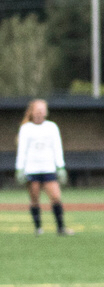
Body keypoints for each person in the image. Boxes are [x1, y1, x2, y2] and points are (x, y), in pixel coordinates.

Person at [15, 99, 72, 236]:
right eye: (38, 109)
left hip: (48, 168)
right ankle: (38, 228)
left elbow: (57, 147)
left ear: (46, 112)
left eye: (42, 109)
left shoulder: (52, 127)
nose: (40, 112)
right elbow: (22, 150)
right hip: (32, 169)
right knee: (35, 199)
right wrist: (20, 169)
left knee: (56, 197)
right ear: (32, 112)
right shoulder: (26, 128)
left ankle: (61, 227)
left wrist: (60, 167)